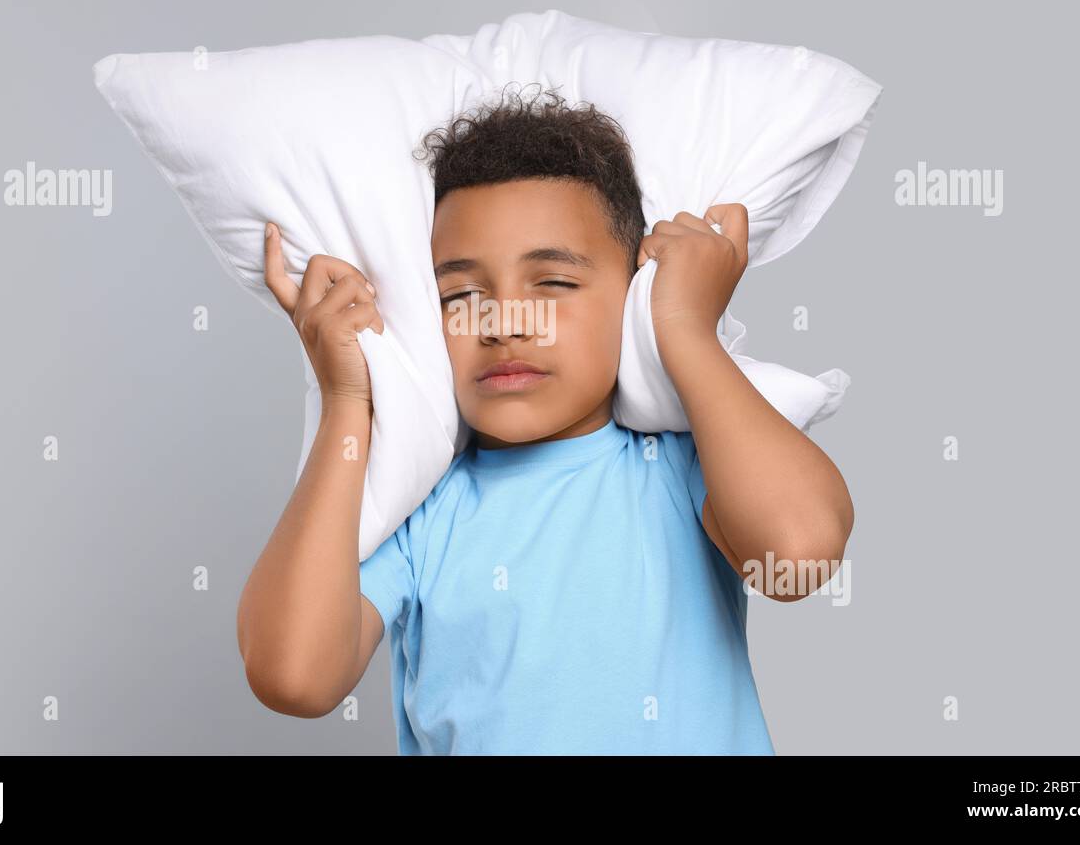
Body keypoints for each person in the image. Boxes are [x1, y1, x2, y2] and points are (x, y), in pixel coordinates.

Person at [236, 83, 854, 754]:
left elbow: (799, 552)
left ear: (631, 293)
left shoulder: (681, 463)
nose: (505, 323)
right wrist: (348, 401)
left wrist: (683, 325)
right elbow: (293, 677)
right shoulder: (422, 512)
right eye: (461, 295)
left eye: (554, 284)